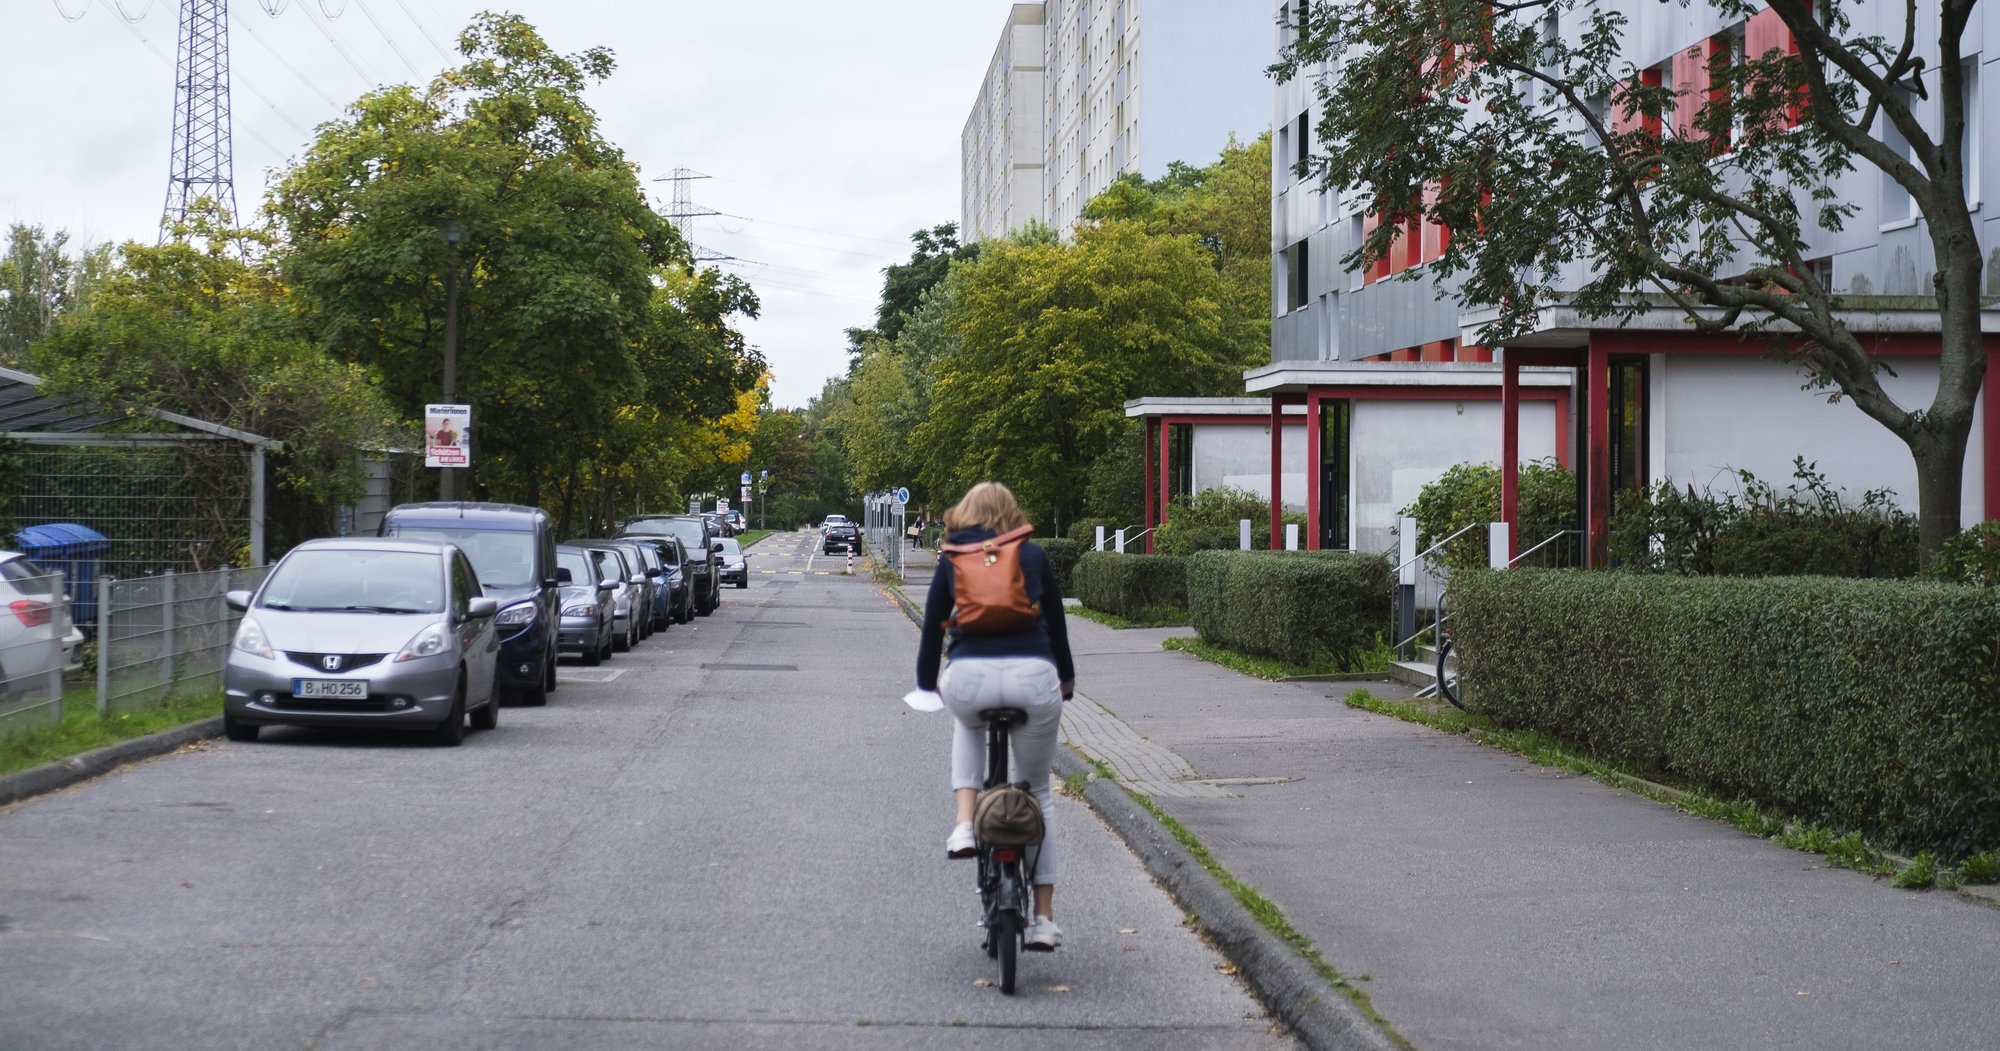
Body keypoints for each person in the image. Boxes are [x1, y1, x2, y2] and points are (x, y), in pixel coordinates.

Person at [914, 482, 1075, 951]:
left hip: (970, 677)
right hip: (1033, 676)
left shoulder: (952, 558)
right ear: (1011, 514)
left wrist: (927, 684)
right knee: (1039, 788)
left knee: (967, 720)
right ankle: (1044, 918)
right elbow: (1059, 628)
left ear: (963, 513)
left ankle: (965, 823)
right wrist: (1065, 680)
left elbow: (930, 628)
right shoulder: (1034, 555)